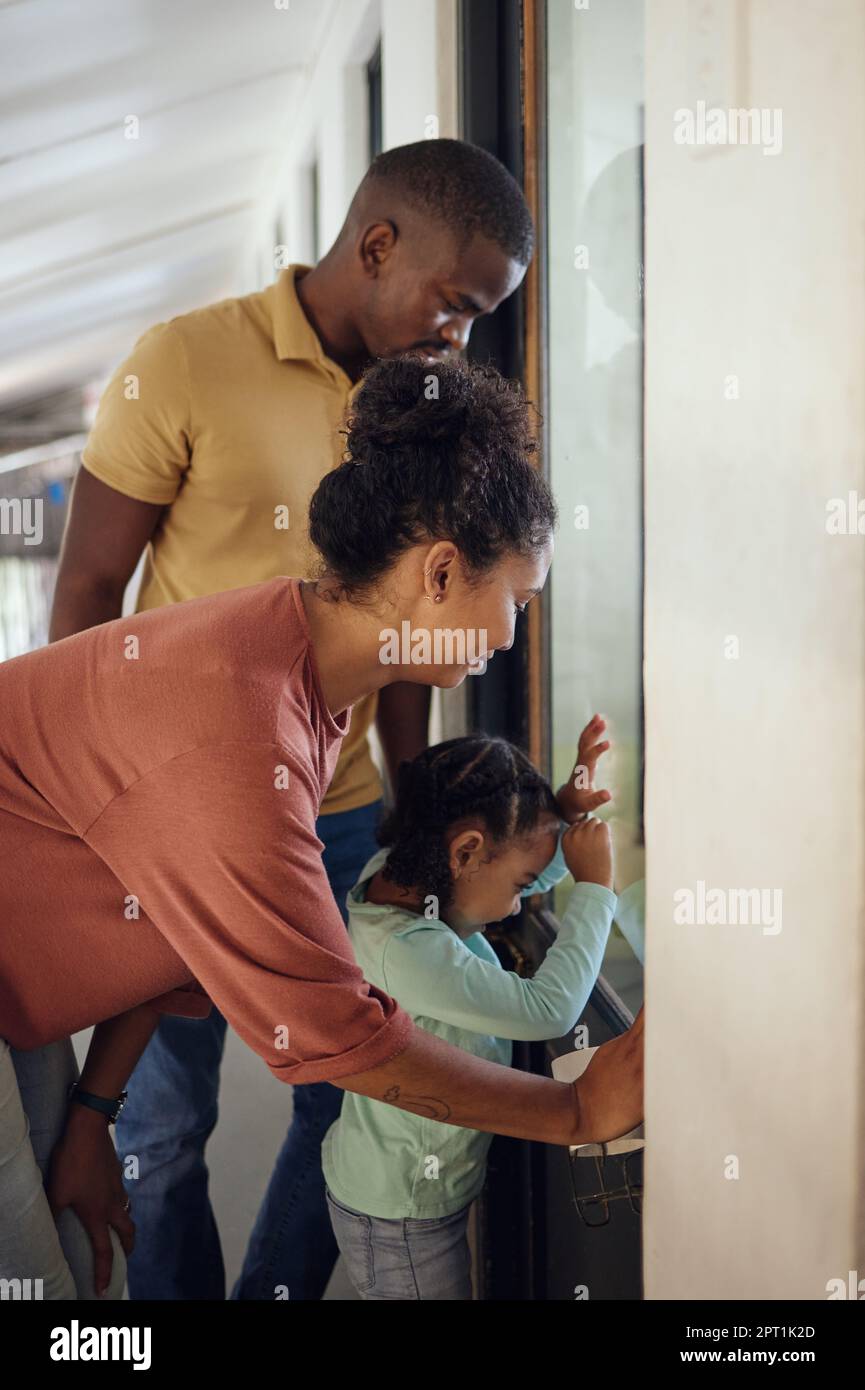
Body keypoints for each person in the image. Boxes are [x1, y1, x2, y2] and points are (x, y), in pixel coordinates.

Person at [0, 355, 644, 1302]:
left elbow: (179, 914)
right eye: (517, 599)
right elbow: (332, 1034)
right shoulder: (239, 729)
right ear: (439, 571)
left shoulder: (293, 659)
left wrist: (96, 1112)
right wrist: (576, 1110)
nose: (512, 635)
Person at [48, 138, 537, 1300]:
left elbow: (414, 618)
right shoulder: (181, 362)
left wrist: (417, 810)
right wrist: (97, 813)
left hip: (342, 807)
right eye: (454, 305)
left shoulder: (420, 405)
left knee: (351, 1090)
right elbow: (85, 593)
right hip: (172, 814)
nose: (455, 335)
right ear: (376, 246)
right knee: (162, 1125)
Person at [324, 721, 645, 1300]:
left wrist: (559, 819)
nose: (522, 900)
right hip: (402, 1217)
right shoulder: (408, 953)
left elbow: (487, 879)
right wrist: (597, 889)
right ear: (466, 850)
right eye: (524, 883)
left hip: (407, 1196)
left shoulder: (401, 879)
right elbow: (549, 1009)